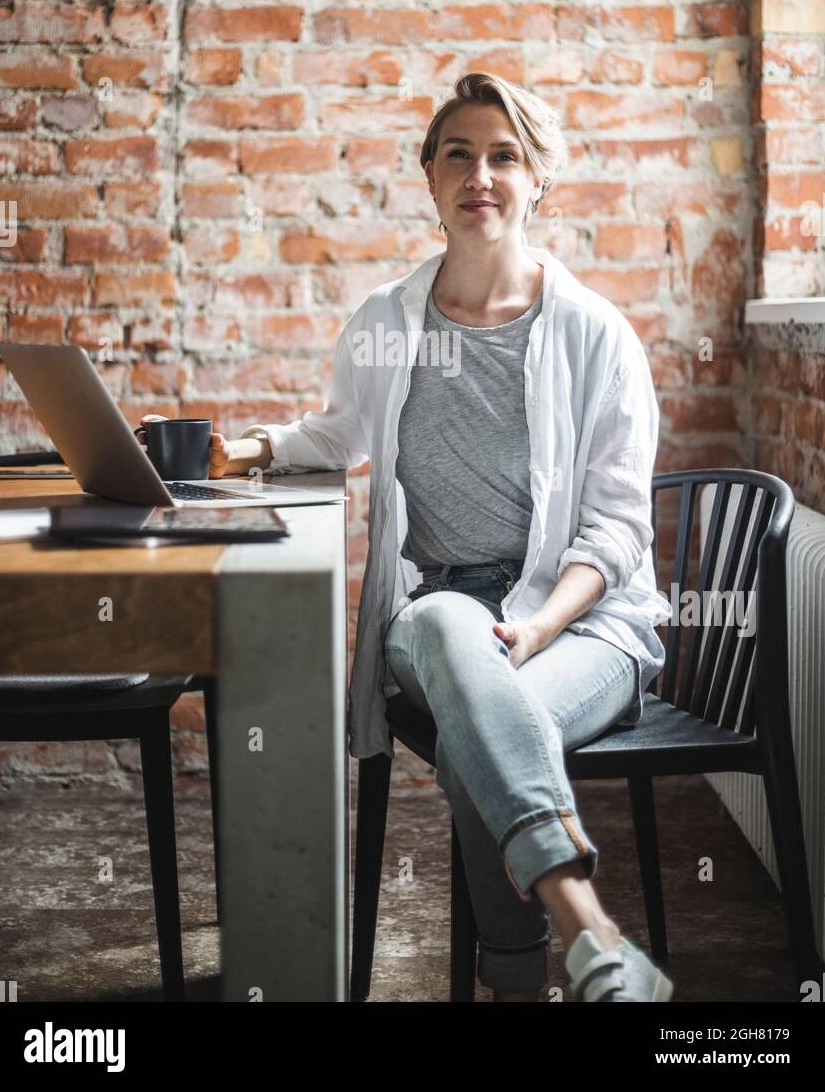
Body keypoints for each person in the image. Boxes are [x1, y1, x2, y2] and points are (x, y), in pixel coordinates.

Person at [137, 73, 673, 1003]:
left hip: (585, 625)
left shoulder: (596, 334)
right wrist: (254, 445)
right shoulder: (388, 321)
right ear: (428, 178)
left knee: (497, 724)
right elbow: (341, 432)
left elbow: (618, 528)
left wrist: (542, 626)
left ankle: (522, 977)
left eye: (505, 155)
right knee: (452, 638)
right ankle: (591, 937)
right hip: (448, 609)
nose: (481, 174)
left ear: (538, 177)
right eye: (458, 154)